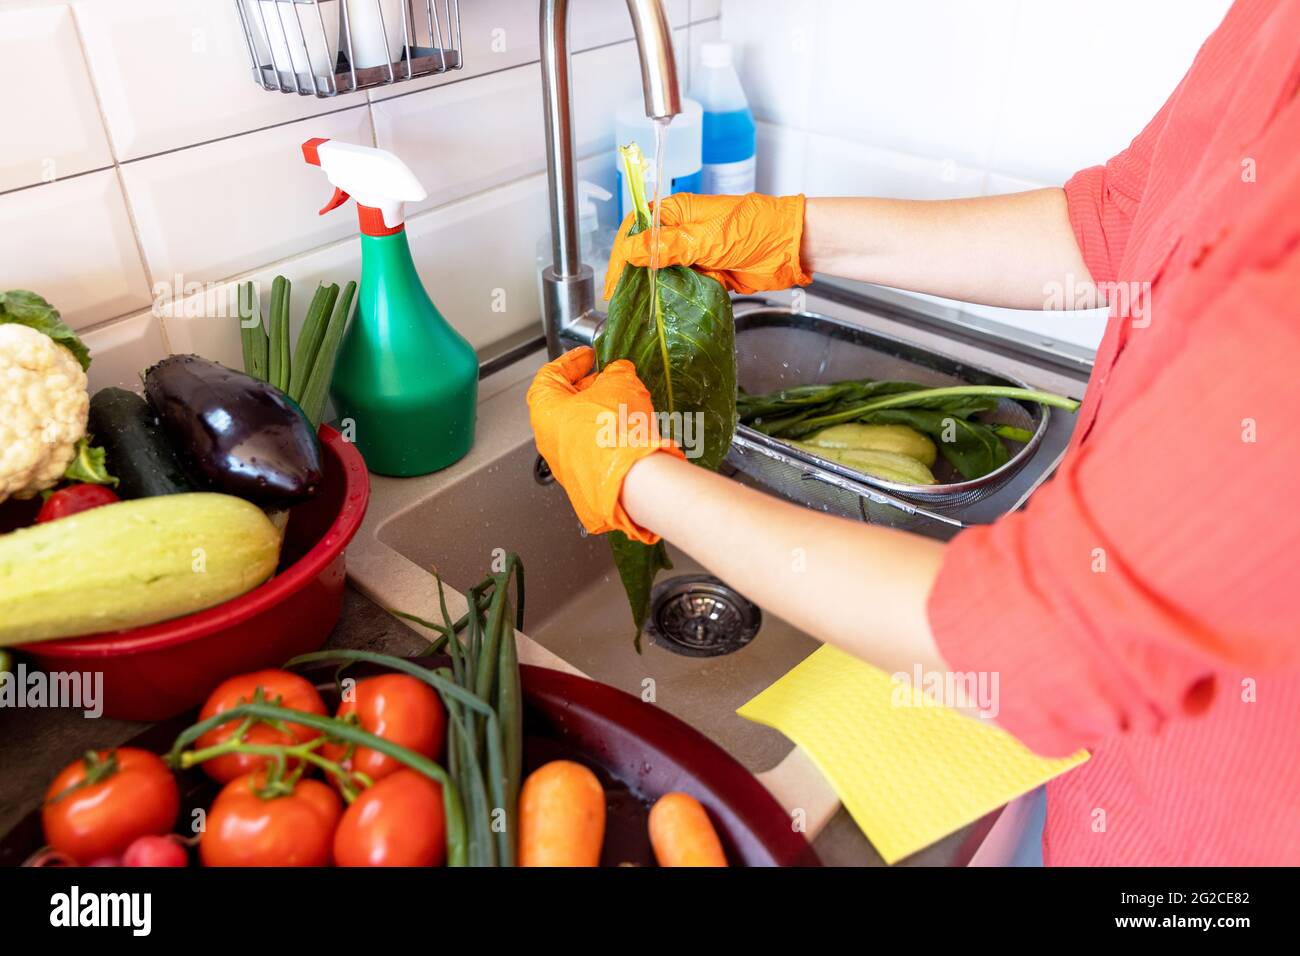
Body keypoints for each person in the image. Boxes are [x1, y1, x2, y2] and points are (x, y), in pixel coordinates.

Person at [526, 0, 1300, 865]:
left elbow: (1039, 638)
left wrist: (639, 476)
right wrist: (796, 233)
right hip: (1114, 789)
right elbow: (1119, 222)